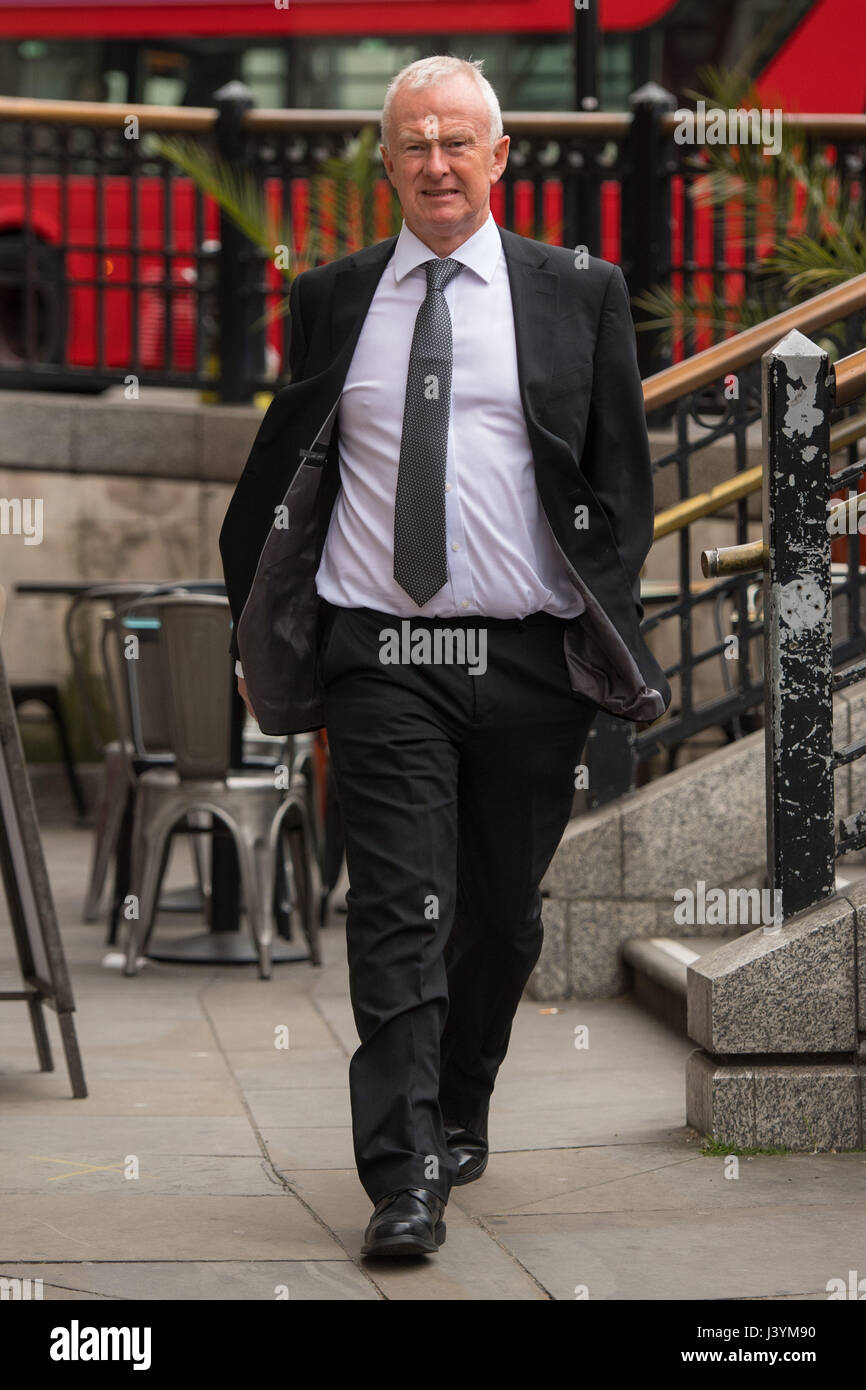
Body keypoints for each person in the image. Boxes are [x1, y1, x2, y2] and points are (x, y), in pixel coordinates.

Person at [219, 54, 670, 1259]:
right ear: (386, 161)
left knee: (501, 918)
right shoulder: (332, 296)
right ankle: (403, 1174)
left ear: (497, 156)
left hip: (525, 658)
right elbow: (287, 471)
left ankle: (460, 1096)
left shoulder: (578, 293)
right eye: (413, 141)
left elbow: (618, 483)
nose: (435, 162)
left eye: (456, 141)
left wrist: (600, 624)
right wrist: (267, 617)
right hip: (384, 652)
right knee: (397, 908)